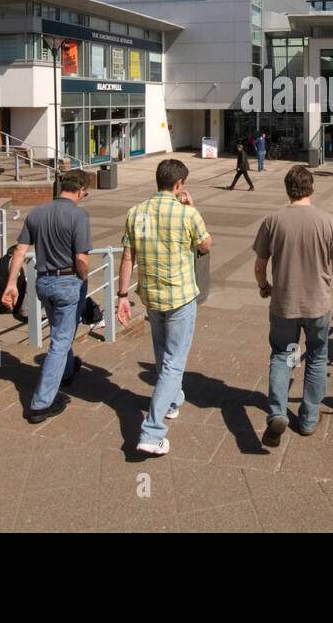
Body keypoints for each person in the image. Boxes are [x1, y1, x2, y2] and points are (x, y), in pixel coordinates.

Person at [116, 159, 211, 457]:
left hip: (152, 296)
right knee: (174, 361)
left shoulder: (136, 213)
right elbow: (205, 245)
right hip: (180, 297)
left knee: (162, 353)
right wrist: (192, 208)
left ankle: (171, 402)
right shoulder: (187, 214)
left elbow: (128, 257)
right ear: (179, 185)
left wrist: (121, 295)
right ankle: (152, 431)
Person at [254, 165, 333, 446]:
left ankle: (276, 413)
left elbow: (260, 264)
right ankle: (308, 419)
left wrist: (264, 286)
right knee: (317, 357)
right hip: (318, 305)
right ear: (313, 188)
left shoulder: (273, 221)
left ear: (287, 189)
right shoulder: (329, 221)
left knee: (283, 355)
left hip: (284, 304)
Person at [0, 170, 92, 423]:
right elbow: (81, 258)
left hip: (43, 282)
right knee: (61, 341)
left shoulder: (37, 212)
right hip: (68, 281)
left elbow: (20, 249)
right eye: (86, 192)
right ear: (81, 190)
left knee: (61, 331)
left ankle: (68, 370)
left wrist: (11, 284)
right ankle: (41, 404)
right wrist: (84, 278)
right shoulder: (79, 215)